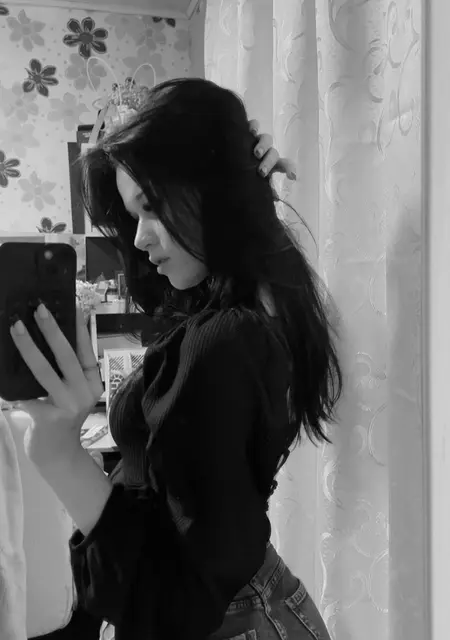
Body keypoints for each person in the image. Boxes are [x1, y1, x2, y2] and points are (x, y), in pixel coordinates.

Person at [11, 78, 342, 640]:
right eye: (133, 214)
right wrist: (241, 179)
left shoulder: (225, 343)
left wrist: (60, 452)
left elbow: (176, 606)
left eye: (153, 207)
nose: (139, 239)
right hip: (252, 602)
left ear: (216, 191)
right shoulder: (253, 309)